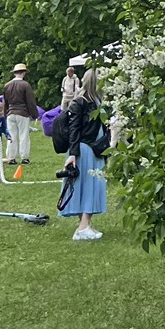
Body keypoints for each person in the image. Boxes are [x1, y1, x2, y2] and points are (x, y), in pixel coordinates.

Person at [57, 69, 108, 241]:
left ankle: (84, 225)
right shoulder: (81, 102)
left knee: (86, 186)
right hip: (86, 149)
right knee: (89, 187)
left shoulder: (96, 102)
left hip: (93, 148)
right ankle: (83, 227)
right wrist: (73, 153)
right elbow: (74, 129)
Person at [1, 64, 38, 166]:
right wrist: (35, 114)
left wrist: (5, 113)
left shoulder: (7, 85)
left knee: (12, 136)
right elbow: (30, 101)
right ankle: (24, 157)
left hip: (10, 113)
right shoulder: (25, 85)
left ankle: (11, 158)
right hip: (22, 113)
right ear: (24, 73)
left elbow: (5, 102)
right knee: (23, 135)